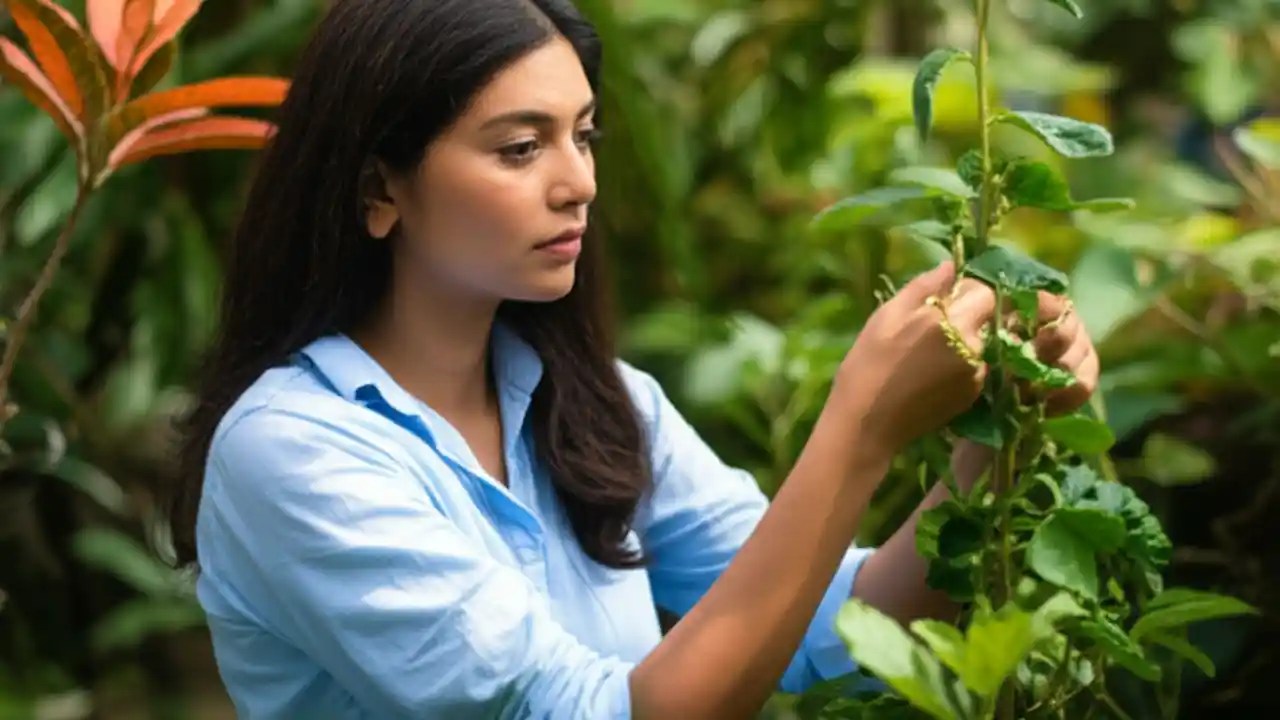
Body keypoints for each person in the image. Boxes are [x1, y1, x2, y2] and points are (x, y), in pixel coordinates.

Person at [169, 1, 1099, 718]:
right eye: (521, 147)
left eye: (584, 135)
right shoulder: (291, 452)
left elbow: (840, 626)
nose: (579, 182)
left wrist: (994, 440)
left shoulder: (601, 404)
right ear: (380, 187)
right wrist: (861, 424)